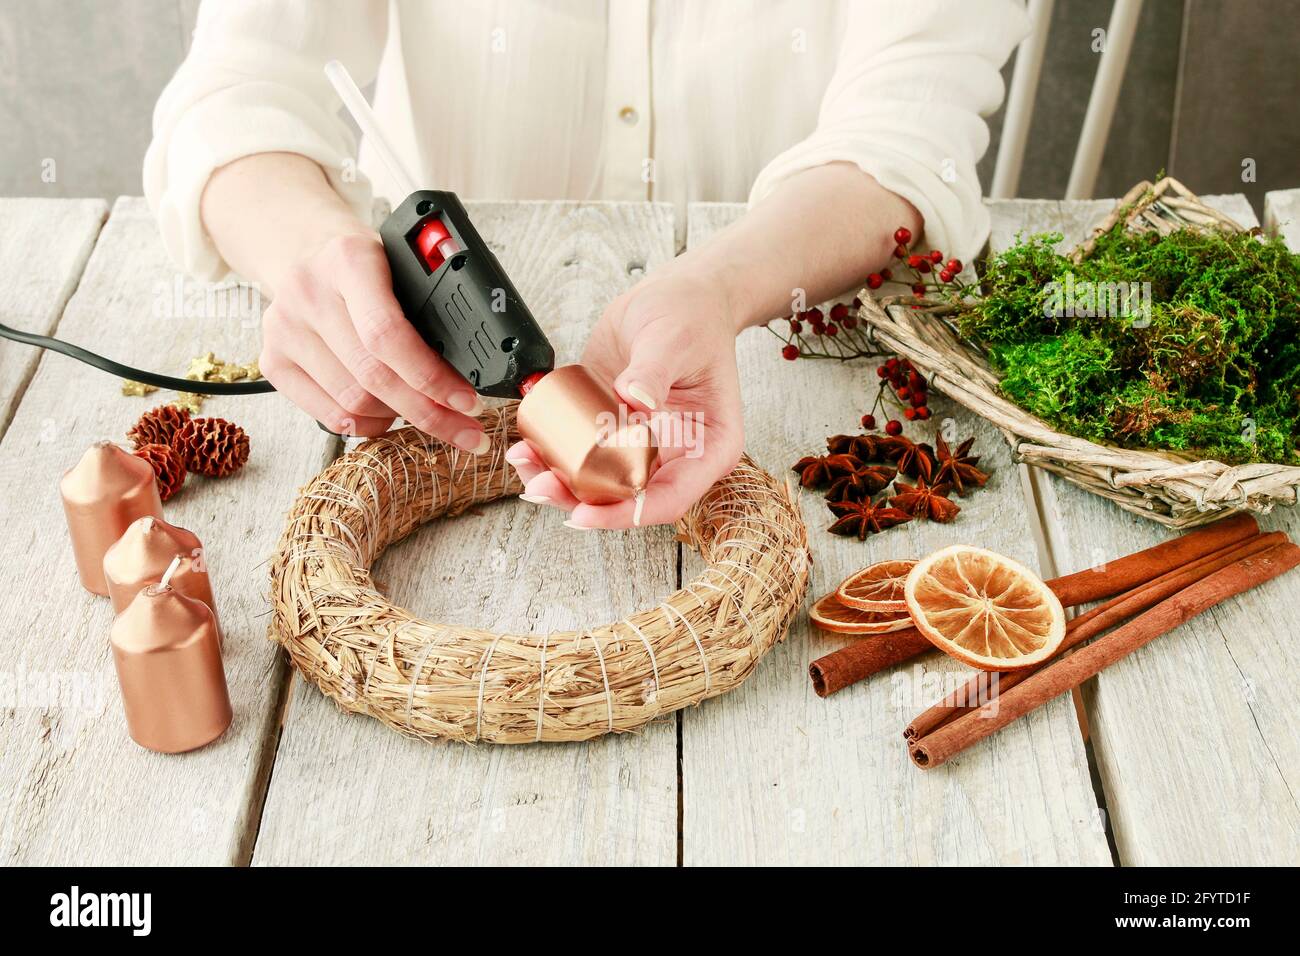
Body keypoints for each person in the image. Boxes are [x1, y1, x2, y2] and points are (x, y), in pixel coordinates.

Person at [145, 0, 1029, 529]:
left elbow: (914, 132)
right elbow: (235, 87)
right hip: (418, 365)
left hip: (784, 323)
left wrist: (718, 288)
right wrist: (304, 245)